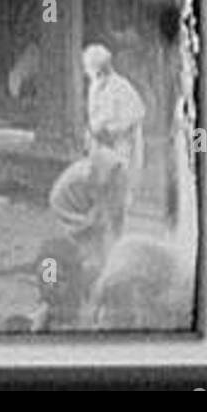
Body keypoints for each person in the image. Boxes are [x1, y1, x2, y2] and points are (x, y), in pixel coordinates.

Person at [82, 43, 146, 235]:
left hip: (120, 148)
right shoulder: (95, 86)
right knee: (98, 195)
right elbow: (94, 118)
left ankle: (118, 236)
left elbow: (136, 114)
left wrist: (113, 130)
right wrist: (92, 134)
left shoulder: (121, 86)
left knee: (118, 197)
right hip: (100, 148)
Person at [49, 145, 129, 282]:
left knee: (98, 238)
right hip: (66, 204)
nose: (116, 175)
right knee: (87, 240)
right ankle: (58, 278)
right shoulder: (88, 178)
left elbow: (118, 213)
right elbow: (100, 216)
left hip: (86, 202)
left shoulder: (118, 176)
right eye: (113, 173)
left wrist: (119, 245)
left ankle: (92, 270)